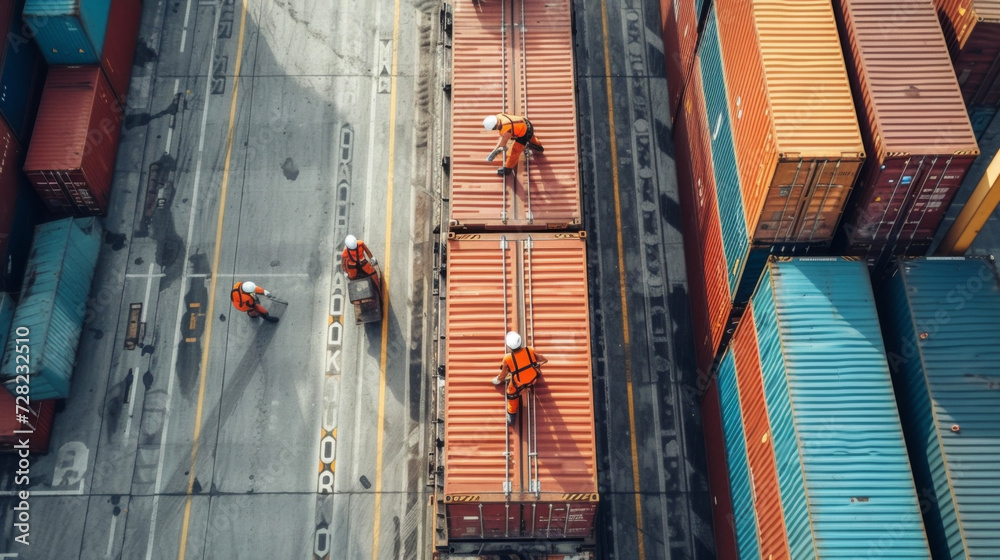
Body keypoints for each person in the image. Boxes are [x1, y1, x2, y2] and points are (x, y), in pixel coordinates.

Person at [492, 331, 547, 425]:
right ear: (521, 342)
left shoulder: (508, 358)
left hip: (520, 383)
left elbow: (504, 374)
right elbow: (541, 358)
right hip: (533, 378)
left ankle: (511, 417)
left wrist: (498, 379)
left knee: (511, 394)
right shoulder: (530, 350)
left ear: (509, 347)